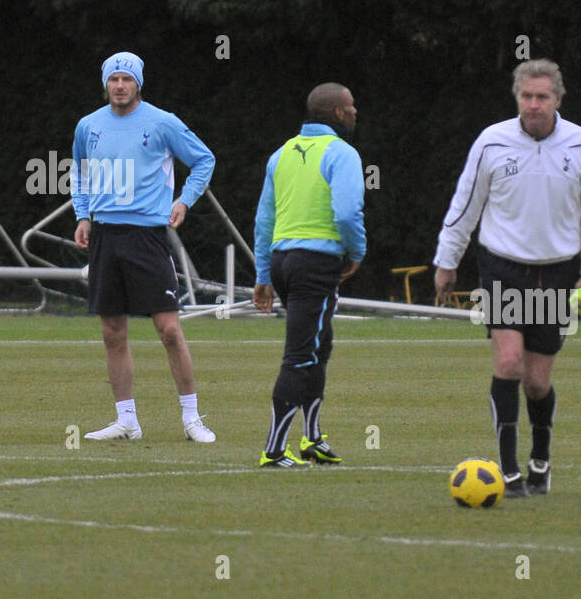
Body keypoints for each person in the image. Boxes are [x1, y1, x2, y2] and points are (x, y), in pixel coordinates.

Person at [434, 59, 581, 497]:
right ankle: (507, 470)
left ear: (558, 100)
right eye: (526, 97)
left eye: (542, 97)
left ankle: (540, 459)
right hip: (503, 267)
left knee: (536, 380)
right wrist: (446, 261)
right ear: (517, 98)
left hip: (556, 272)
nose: (533, 105)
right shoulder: (492, 142)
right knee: (508, 363)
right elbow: (465, 204)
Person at [72, 51, 217, 442]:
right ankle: (126, 421)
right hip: (105, 236)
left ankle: (191, 419)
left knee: (169, 329)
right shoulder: (88, 126)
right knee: (112, 331)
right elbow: (80, 174)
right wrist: (83, 216)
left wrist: (183, 200)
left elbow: (204, 159)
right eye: (114, 79)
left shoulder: (162, 122)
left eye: (127, 79)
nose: (120, 86)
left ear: (138, 84)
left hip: (147, 238)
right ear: (106, 84)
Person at [252, 83, 366, 468]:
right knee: (300, 355)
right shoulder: (342, 153)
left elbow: (264, 219)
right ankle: (273, 449)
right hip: (315, 263)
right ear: (336, 113)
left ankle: (312, 437)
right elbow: (348, 212)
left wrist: (263, 272)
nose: (355, 111)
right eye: (350, 106)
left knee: (320, 345)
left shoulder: (280, 154)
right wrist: (358, 251)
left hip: (284, 261)